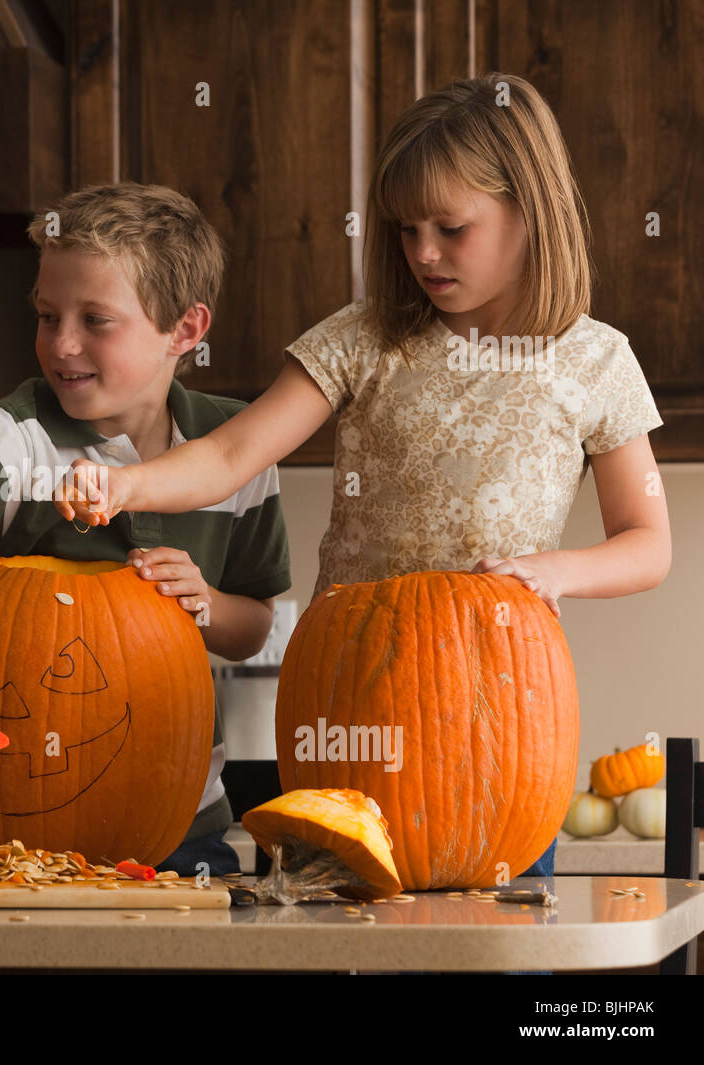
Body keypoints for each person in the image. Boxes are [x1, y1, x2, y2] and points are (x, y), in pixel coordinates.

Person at [52, 73, 672, 881]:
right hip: (345, 712)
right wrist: (124, 485)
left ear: (530, 210)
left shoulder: (595, 359)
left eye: (451, 227)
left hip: (502, 726)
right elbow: (234, 453)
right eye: (405, 229)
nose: (422, 252)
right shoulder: (364, 337)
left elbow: (647, 542)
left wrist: (553, 571)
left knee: (495, 959)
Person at [0, 183, 291, 876]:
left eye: (95, 319)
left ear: (185, 330)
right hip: (5, 834)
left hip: (181, 824)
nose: (61, 343)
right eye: (46, 315)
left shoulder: (233, 447)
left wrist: (206, 604)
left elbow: (252, 626)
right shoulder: (19, 438)